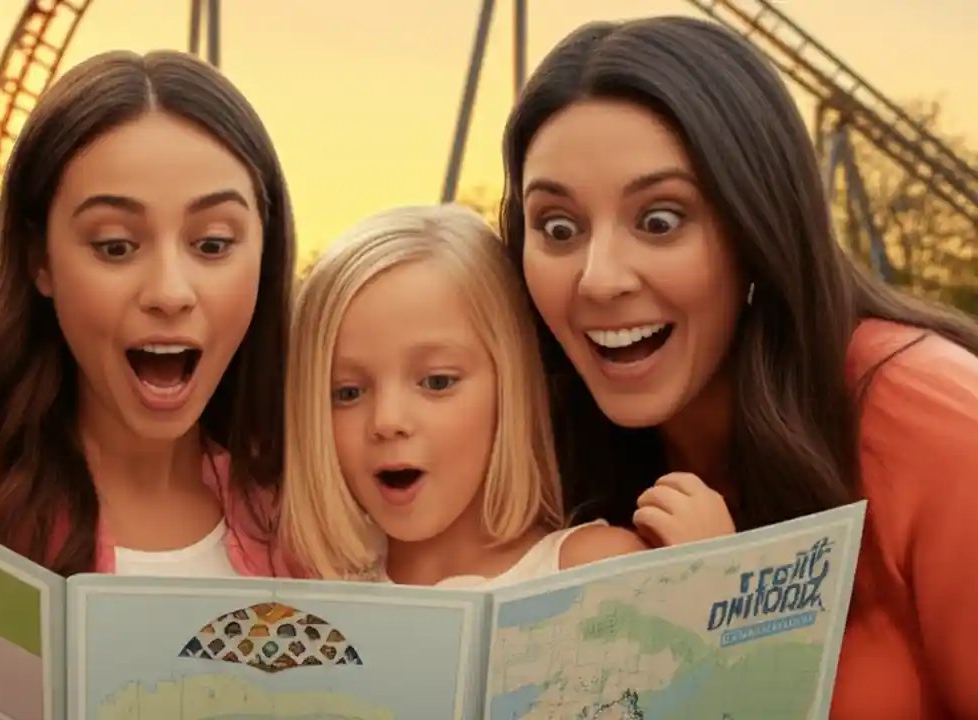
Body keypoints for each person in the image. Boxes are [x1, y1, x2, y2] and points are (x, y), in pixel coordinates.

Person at [500, 16, 978, 718]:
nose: (598, 279)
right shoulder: (543, 439)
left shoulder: (935, 423)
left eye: (660, 221)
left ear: (757, 227)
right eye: (559, 228)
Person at [0, 49, 298, 581]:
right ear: (40, 260)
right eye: (115, 246)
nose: (169, 292)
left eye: (212, 244)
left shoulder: (312, 528)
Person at [278, 204, 729, 586]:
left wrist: (718, 581)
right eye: (348, 392)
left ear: (511, 387)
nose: (387, 420)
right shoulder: (314, 596)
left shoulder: (594, 568)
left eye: (437, 382)